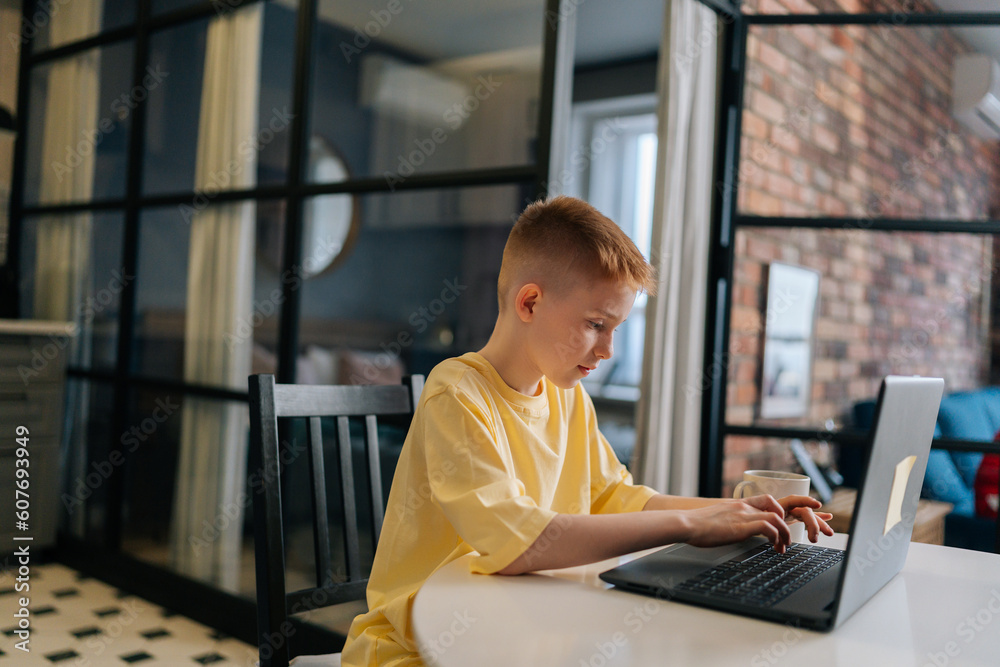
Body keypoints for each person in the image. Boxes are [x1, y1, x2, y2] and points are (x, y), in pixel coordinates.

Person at [341, 196, 832, 666]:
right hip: (416, 650)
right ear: (529, 303)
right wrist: (691, 527)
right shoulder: (457, 392)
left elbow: (618, 497)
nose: (608, 351)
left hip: (517, 630)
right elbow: (517, 540)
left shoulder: (567, 396)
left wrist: (737, 510)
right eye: (597, 324)